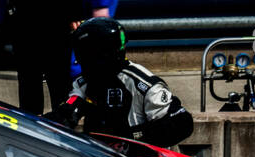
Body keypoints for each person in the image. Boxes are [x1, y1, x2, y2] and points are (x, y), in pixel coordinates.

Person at [48, 17, 192, 148]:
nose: (79, 61)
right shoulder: (84, 82)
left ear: (101, 54)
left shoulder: (143, 84)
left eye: (84, 55)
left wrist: (132, 138)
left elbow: (182, 124)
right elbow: (67, 113)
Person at [15, 2, 110, 115]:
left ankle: (63, 119)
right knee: (30, 76)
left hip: (57, 19)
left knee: (58, 76)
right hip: (25, 18)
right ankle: (30, 121)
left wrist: (74, 13)